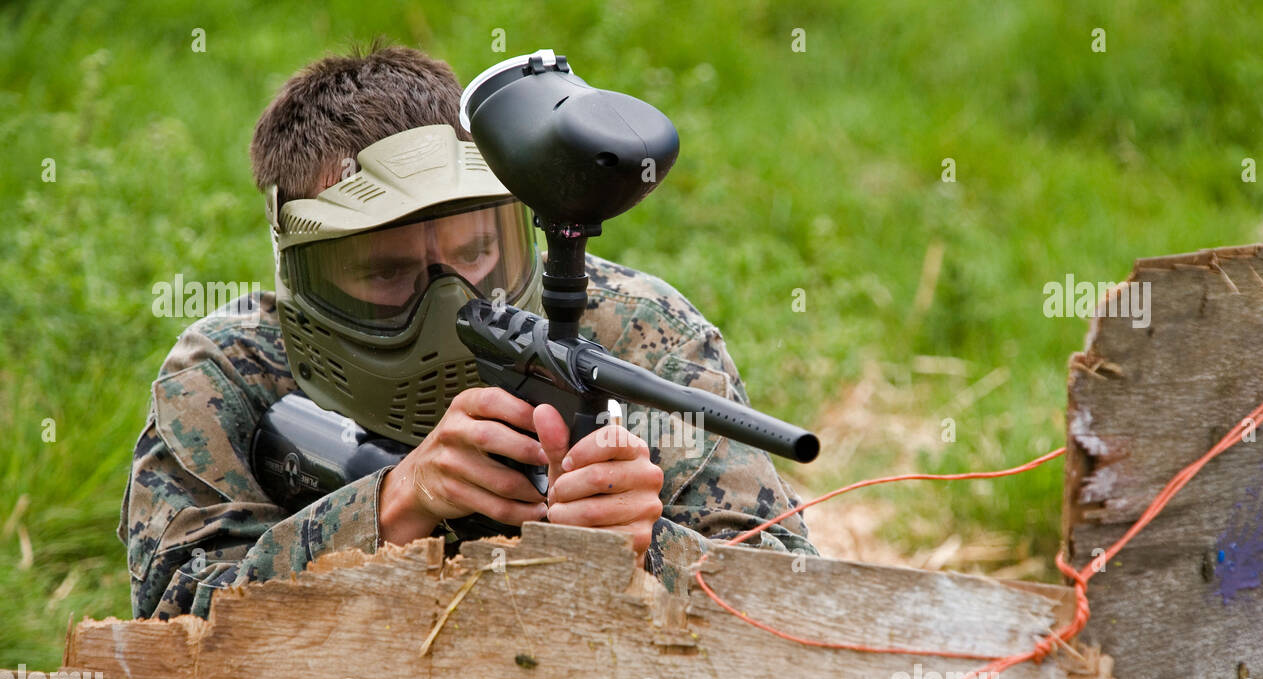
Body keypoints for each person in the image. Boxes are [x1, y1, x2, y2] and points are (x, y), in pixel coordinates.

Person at [118, 42, 816, 621]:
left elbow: (796, 605)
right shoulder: (230, 370)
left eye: (477, 253)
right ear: (304, 275)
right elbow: (171, 635)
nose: (451, 300)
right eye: (388, 273)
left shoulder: (636, 334)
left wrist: (640, 545)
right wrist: (390, 507)